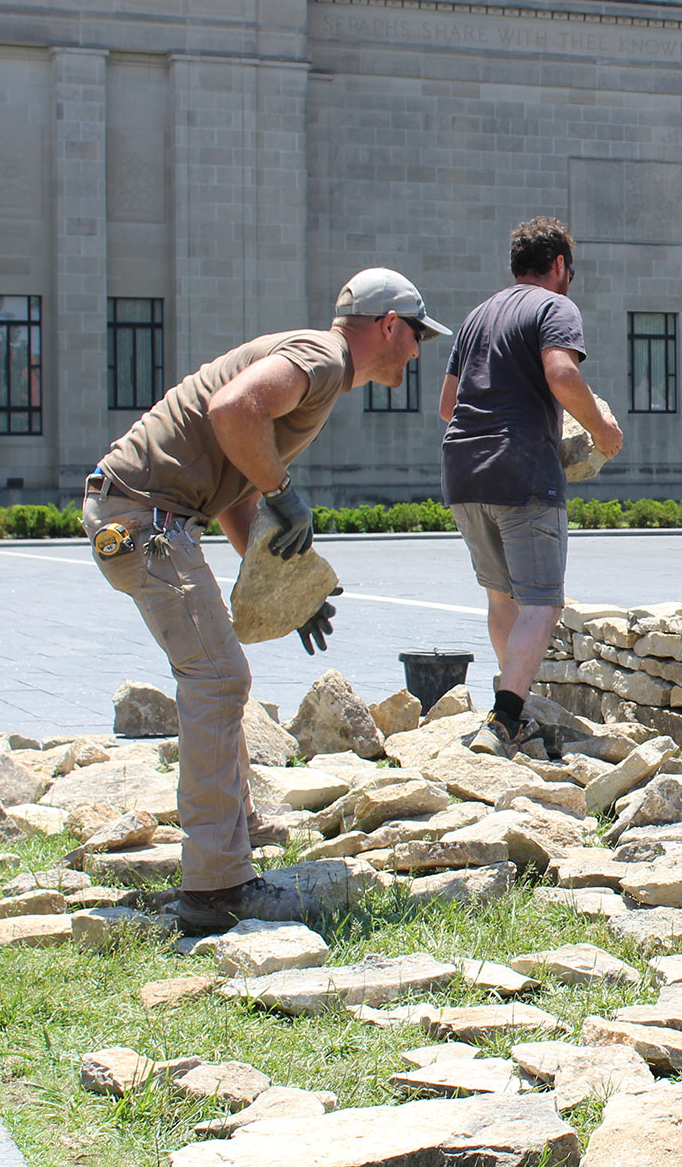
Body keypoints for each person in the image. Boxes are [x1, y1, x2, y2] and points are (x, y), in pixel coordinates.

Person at [84, 267, 450, 933]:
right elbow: (232, 413)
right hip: (145, 520)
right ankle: (218, 887)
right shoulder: (324, 357)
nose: (420, 351)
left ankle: (234, 827)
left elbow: (236, 491)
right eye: (417, 334)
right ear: (389, 325)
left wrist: (288, 583)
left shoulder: (317, 364)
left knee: (221, 675)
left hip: (150, 516)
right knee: (218, 676)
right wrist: (285, 489)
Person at [440, 216, 622, 748]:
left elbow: (449, 405)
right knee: (543, 601)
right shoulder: (554, 307)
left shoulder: (477, 316)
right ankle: (504, 720)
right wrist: (601, 430)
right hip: (522, 469)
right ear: (560, 265)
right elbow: (562, 375)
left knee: (503, 597)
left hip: (464, 471)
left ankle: (509, 698)